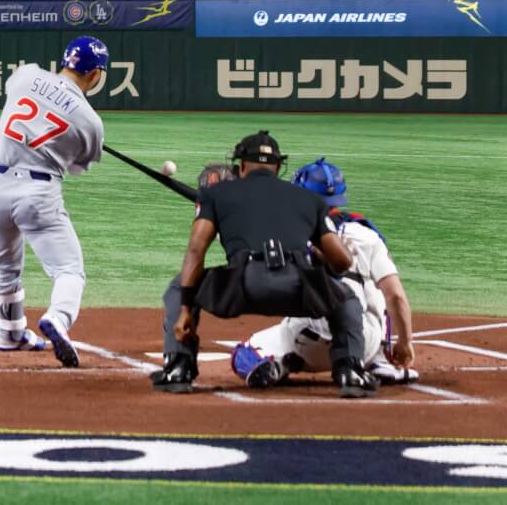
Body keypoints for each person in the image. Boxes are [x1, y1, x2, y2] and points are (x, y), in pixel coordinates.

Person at [153, 131, 378, 398]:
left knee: (179, 287)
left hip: (240, 287)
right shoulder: (310, 200)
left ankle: (179, 369)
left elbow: (195, 250)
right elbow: (342, 261)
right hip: (299, 290)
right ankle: (349, 371)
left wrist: (187, 309)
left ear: (241, 166)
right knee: (347, 297)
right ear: (279, 167)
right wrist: (317, 260)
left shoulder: (217, 195)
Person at [0, 36, 108, 366]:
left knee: (5, 263)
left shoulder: (26, 75)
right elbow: (78, 168)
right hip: (36, 193)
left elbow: (20, 100)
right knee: (69, 269)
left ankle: (9, 331)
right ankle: (59, 319)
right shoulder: (91, 123)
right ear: (95, 75)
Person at [230, 158, 417, 386]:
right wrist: (405, 343)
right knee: (374, 284)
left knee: (243, 355)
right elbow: (396, 296)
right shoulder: (366, 236)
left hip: (306, 341)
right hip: (361, 341)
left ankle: (282, 363)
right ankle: (377, 360)